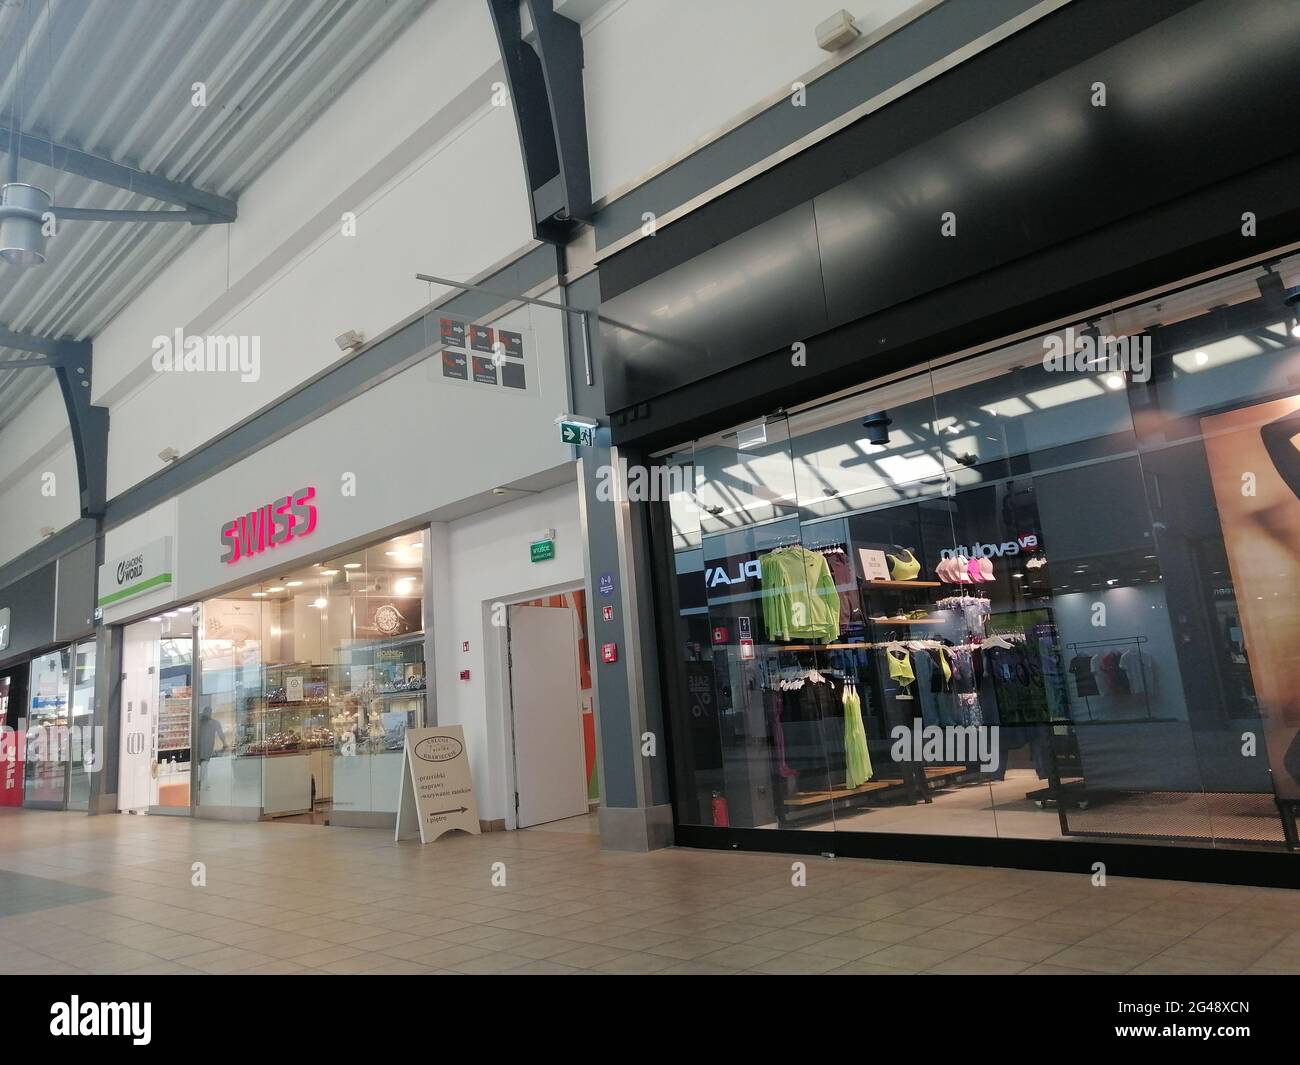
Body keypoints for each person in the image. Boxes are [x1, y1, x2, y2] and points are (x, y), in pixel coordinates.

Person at [196, 705, 227, 789]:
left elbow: (221, 734)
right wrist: (224, 743)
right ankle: (202, 783)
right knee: (204, 763)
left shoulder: (208, 722)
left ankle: (203, 782)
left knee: (203, 763)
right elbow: (221, 734)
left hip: (204, 746)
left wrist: (224, 743)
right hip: (203, 746)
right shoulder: (210, 722)